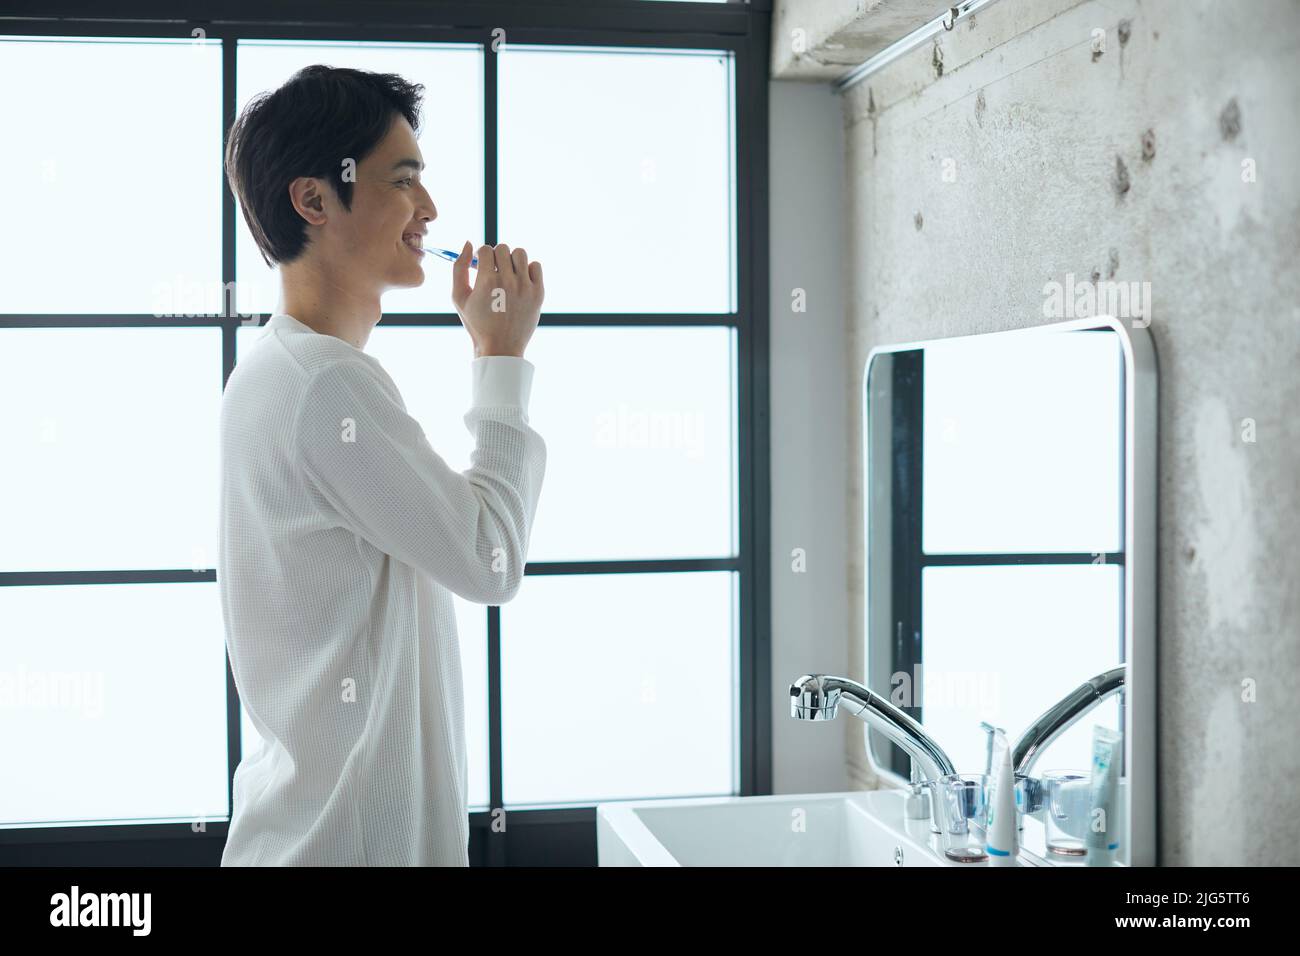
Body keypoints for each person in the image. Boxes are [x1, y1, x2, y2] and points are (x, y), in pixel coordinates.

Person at [217, 64, 546, 865]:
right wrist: (499, 357)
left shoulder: (282, 372)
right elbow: (490, 559)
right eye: (404, 182)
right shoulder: (327, 383)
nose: (429, 210)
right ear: (315, 199)